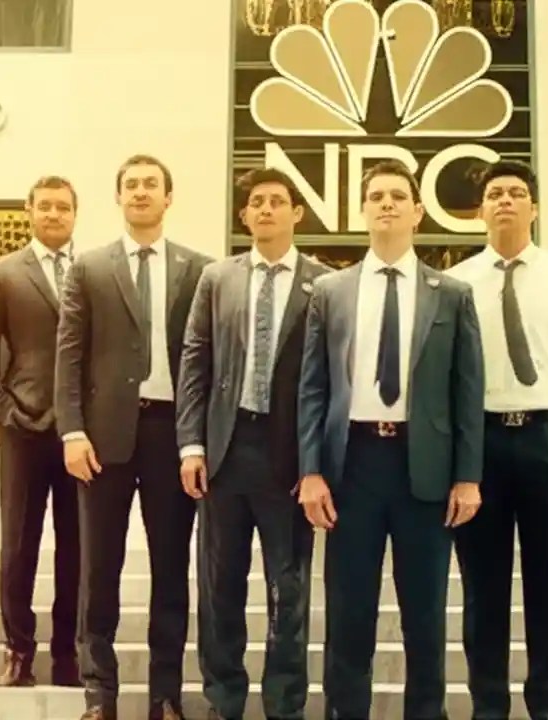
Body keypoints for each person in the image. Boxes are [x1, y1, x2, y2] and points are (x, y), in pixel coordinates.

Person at [297, 158, 484, 720]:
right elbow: (312, 387)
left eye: (398, 196)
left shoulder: (450, 294)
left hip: (423, 468)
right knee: (349, 613)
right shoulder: (329, 291)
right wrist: (310, 470)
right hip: (352, 466)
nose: (386, 204)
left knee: (425, 613)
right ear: (363, 211)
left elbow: (467, 391)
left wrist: (468, 475)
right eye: (376, 196)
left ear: (417, 210)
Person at [55, 154, 212, 720]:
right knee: (99, 570)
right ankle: (99, 693)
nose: (141, 192)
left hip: (173, 436)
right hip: (102, 439)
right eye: (131, 185)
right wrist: (71, 430)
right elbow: (68, 355)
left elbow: (208, 364)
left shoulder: (201, 270)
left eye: (151, 185)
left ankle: (165, 696)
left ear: (169, 198)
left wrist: (200, 440)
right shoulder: (90, 269)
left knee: (172, 570)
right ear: (118, 198)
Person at [444, 160, 548, 719]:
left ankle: (546, 705)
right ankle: (488, 705)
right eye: (495, 193)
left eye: (516, 193)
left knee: (547, 583)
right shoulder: (458, 282)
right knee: (483, 587)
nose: (505, 200)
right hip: (481, 444)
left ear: (533, 208)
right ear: (481, 211)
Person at [177, 167, 328, 720]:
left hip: (287, 457)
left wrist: (318, 463)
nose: (265, 209)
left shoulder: (323, 283)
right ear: (244, 216)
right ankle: (224, 701)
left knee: (288, 591)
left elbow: (330, 380)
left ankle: (284, 704)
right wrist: (190, 444)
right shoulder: (218, 279)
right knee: (219, 588)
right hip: (225, 450)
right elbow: (195, 361)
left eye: (277, 201)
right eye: (256, 202)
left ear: (296, 213)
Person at [0, 176, 82, 686]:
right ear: (29, 211)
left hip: (81, 433)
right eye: (46, 207)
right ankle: (18, 651)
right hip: (25, 427)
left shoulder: (95, 271)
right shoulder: (1, 274)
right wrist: (4, 410)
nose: (54, 215)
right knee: (18, 546)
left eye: (64, 207)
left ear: (75, 214)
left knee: (76, 548)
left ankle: (68, 655)